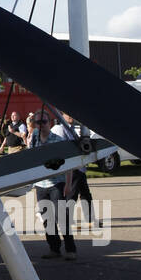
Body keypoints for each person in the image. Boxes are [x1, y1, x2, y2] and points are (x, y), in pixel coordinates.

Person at [29, 111, 75, 259]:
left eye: (44, 122)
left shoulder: (58, 140)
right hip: (40, 185)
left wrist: (68, 184)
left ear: (50, 123)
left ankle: (70, 250)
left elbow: (69, 163)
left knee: (61, 217)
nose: (41, 125)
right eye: (38, 123)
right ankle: (54, 248)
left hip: (57, 183)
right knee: (47, 218)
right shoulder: (34, 139)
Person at [52, 112, 102, 230]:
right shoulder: (60, 129)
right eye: (67, 114)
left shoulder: (72, 129)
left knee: (85, 194)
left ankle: (90, 219)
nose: (71, 116)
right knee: (72, 195)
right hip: (71, 167)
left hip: (79, 167)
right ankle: (67, 221)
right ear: (61, 115)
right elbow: (62, 148)